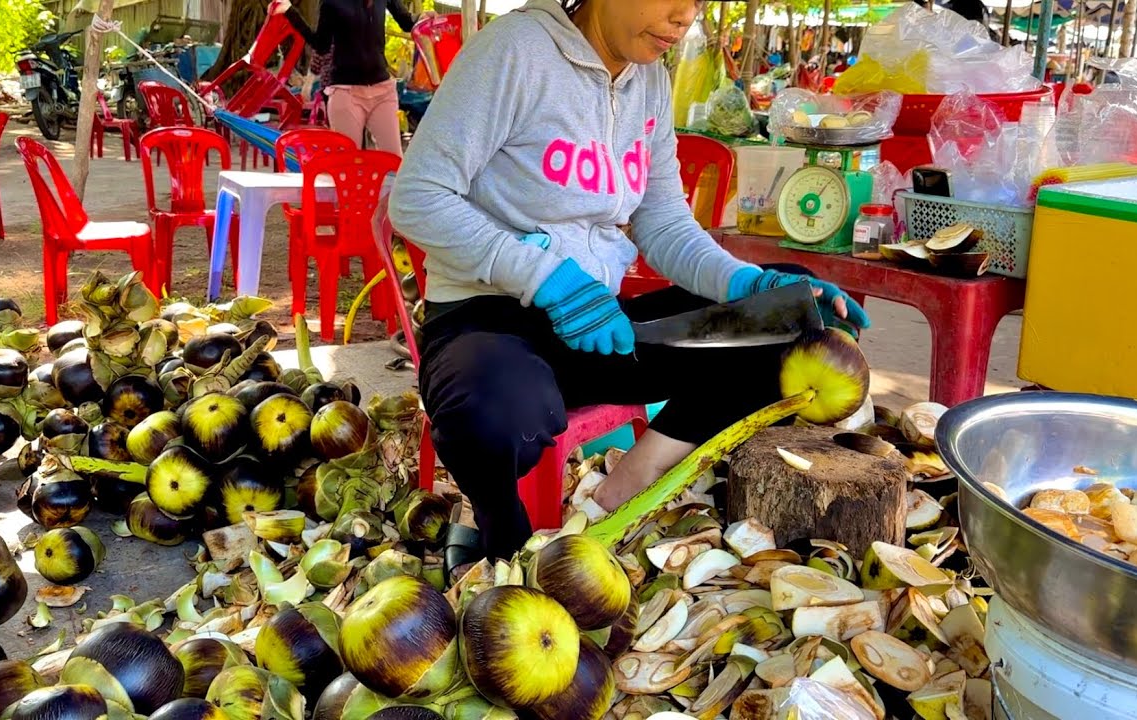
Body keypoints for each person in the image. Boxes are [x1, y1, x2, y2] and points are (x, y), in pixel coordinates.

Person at [388, 0, 870, 560]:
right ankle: (495, 522)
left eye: (698, 3)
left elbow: (662, 222)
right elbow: (418, 198)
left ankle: (625, 486)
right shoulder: (514, 50)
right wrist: (548, 279)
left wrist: (748, 286)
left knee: (791, 307)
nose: (685, 17)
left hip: (602, 329)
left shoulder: (648, 81)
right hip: (488, 323)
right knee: (498, 415)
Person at [269, 0, 428, 155]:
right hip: (346, 92)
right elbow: (322, 45)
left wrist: (422, 18)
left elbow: (407, 22)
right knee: (349, 162)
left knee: (394, 161)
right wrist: (290, 11)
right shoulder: (330, 3)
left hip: (383, 91)